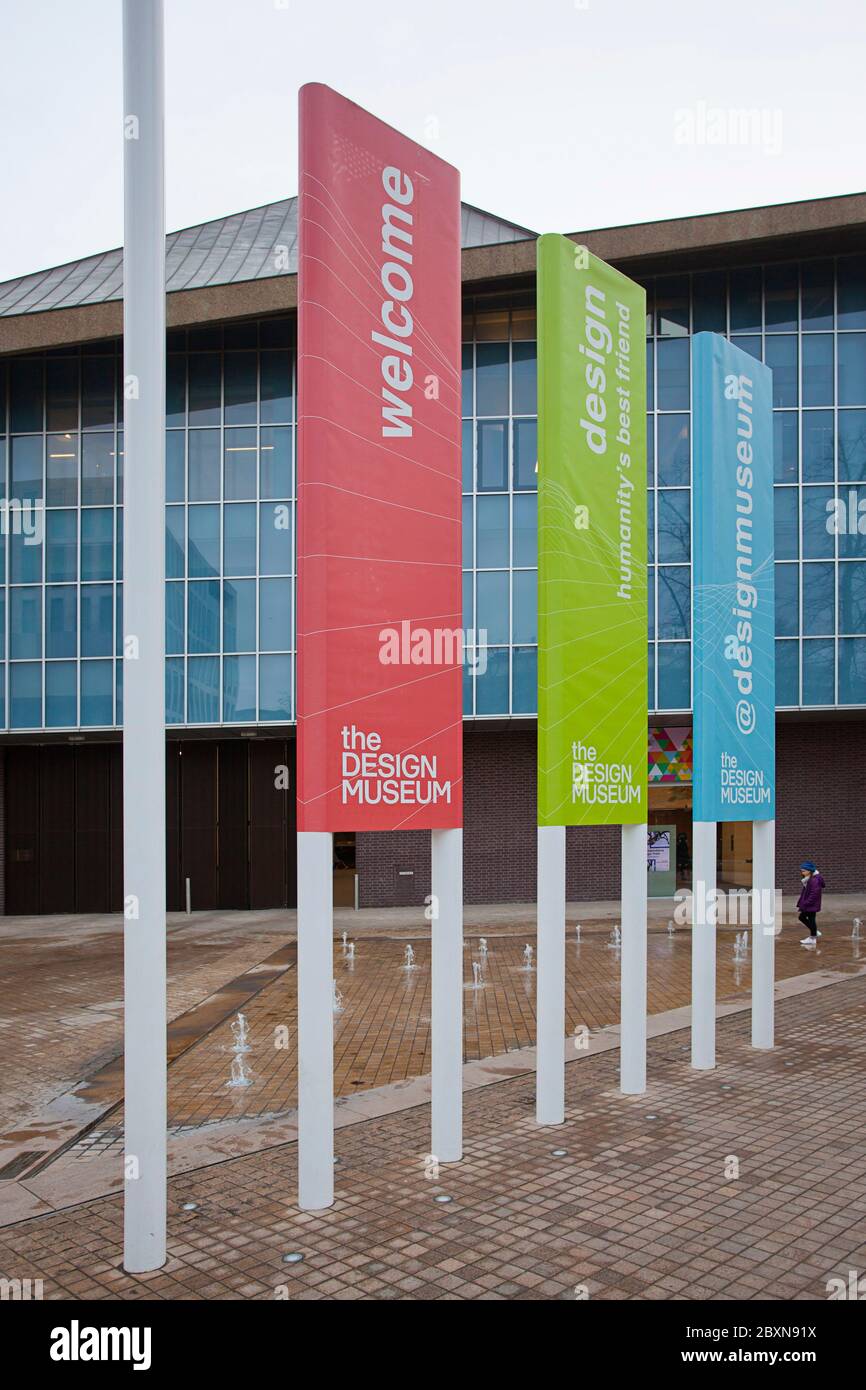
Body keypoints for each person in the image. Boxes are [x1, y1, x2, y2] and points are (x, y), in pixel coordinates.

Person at [797, 861, 825, 946]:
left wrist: (806, 902)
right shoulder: (809, 878)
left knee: (806, 918)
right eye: (801, 871)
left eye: (804, 871)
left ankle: (813, 937)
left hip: (811, 904)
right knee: (806, 918)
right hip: (810, 903)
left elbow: (814, 893)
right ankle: (814, 932)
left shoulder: (814, 880)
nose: (802, 872)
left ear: (809, 870)